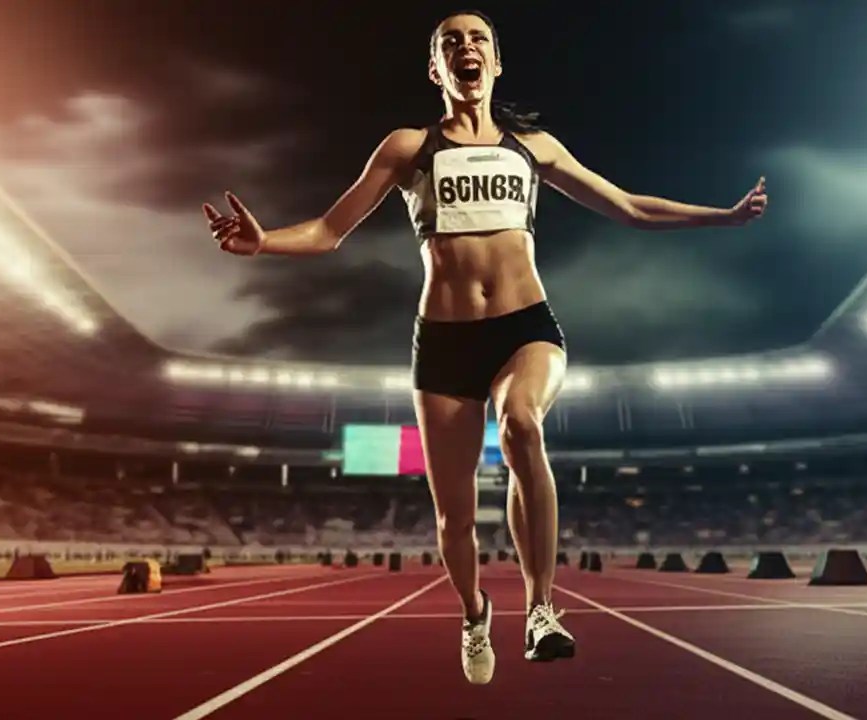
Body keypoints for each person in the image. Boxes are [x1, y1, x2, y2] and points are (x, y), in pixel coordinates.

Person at [203, 9, 767, 685]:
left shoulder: (535, 146)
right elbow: (329, 230)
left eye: (479, 40)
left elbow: (630, 207)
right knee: (454, 517)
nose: (466, 48)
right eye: (451, 43)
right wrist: (263, 243)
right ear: (437, 69)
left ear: (496, 63)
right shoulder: (409, 147)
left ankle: (541, 611)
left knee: (522, 422)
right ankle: (474, 614)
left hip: (524, 326)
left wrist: (723, 216)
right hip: (443, 345)